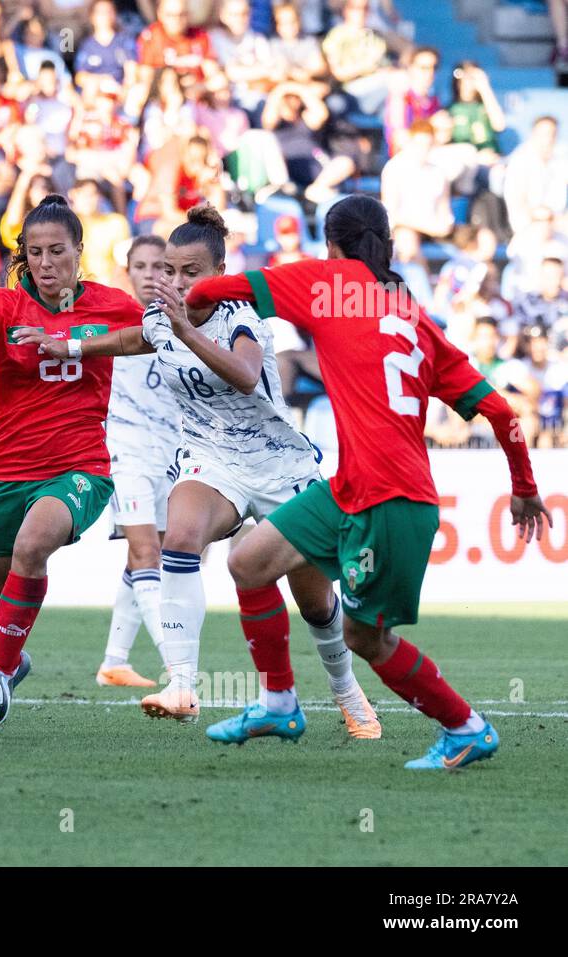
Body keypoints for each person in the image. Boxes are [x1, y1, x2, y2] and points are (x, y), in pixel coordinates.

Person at [183, 194, 550, 769]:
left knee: (365, 637)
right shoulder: (418, 320)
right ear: (390, 247)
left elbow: (209, 292)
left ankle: (466, 727)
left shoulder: (325, 282)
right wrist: (524, 487)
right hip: (353, 486)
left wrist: (189, 308)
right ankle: (279, 701)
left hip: (391, 500)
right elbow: (503, 414)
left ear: (330, 245)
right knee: (249, 561)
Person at [17, 205, 380, 736]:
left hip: (280, 465)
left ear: (219, 273)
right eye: (170, 269)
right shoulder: (163, 318)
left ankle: (347, 692)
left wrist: (186, 329)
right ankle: (182, 684)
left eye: (191, 272)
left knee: (315, 601)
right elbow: (129, 340)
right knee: (181, 538)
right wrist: (70, 344)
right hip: (213, 459)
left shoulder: (241, 315)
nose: (176, 280)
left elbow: (245, 374)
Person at [0, 194, 141, 694]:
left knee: (32, 545)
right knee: (1, 591)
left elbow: (158, 334)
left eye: (57, 251)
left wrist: (83, 345)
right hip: (4, 470)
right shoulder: (1, 304)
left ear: (80, 251)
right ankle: (9, 659)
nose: (45, 263)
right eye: (35, 252)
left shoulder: (110, 304)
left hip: (79, 466)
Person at [95, 236, 179, 688]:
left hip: (170, 455)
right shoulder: (112, 318)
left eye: (159, 267)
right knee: (146, 551)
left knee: (153, 556)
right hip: (125, 453)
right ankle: (178, 666)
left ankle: (114, 661)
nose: (150, 274)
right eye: (141, 266)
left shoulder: (184, 322)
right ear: (127, 271)